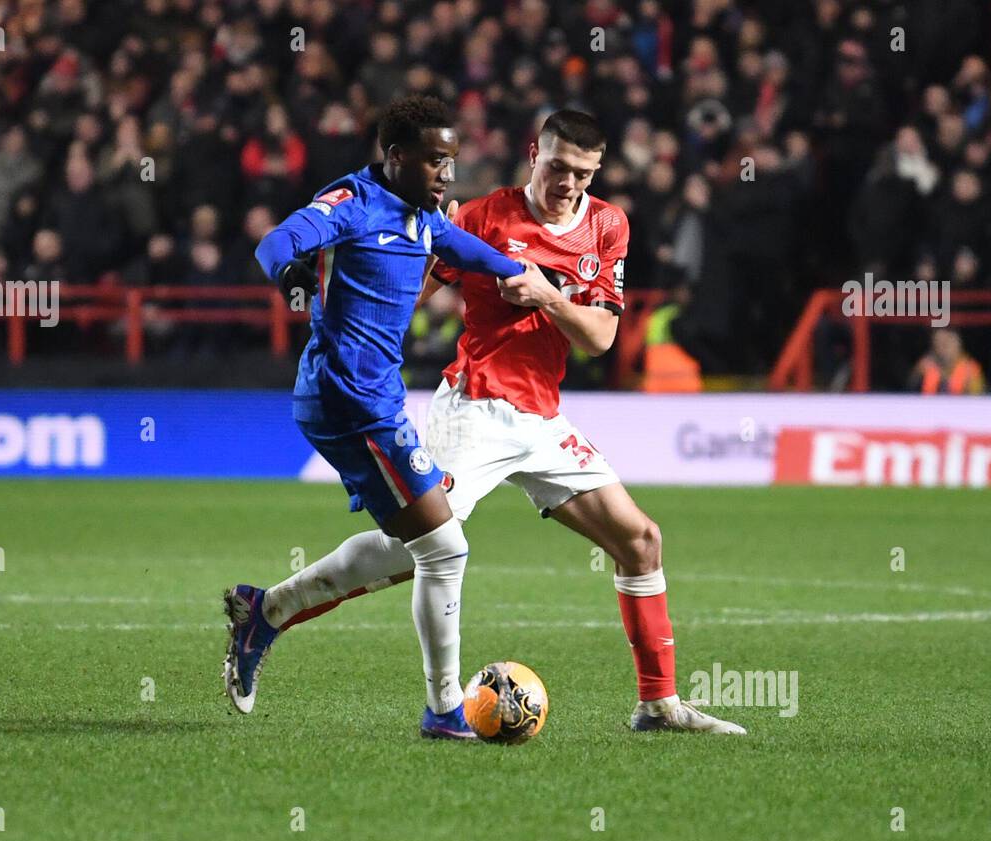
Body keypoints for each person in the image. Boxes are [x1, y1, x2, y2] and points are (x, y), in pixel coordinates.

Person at [241, 110, 745, 736]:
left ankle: (659, 704)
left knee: (640, 541)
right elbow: (410, 285)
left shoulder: (608, 225)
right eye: (558, 166)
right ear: (535, 154)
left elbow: (601, 339)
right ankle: (276, 607)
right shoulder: (478, 216)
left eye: (583, 174)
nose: (568, 183)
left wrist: (549, 297)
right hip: (475, 407)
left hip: (542, 417)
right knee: (417, 550)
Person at [228, 95, 526, 739]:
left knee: (410, 544)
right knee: (444, 548)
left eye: (452, 160)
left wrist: (523, 272)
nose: (447, 174)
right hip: (345, 400)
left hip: (377, 401)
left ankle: (267, 610)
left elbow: (464, 248)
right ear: (395, 158)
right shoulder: (355, 202)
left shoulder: (423, 217)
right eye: (433, 161)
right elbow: (276, 242)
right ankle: (444, 709)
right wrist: (296, 275)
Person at [909, 328, 986, 395]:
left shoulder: (970, 370)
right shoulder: (924, 367)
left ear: (958, 344)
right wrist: (917, 374)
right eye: (939, 343)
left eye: (947, 343)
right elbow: (908, 394)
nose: (944, 348)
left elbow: (980, 401)